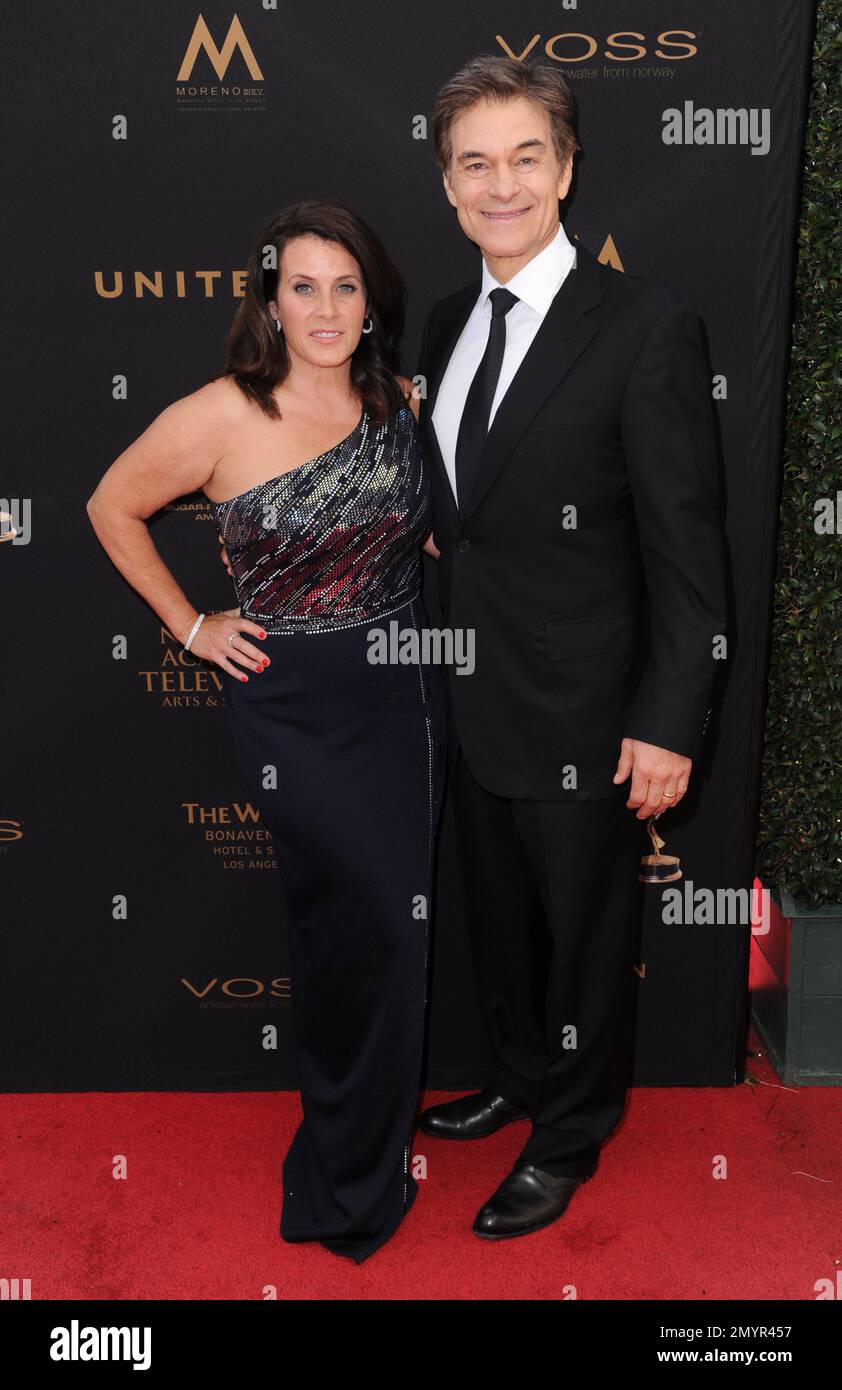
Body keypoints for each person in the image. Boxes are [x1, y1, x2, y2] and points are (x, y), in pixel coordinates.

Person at [86, 200, 447, 1263]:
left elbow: (427, 532)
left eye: (345, 285)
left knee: (392, 931)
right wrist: (191, 624)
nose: (326, 306)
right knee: (350, 927)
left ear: (370, 298)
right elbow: (111, 503)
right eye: (303, 285)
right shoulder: (220, 415)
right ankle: (345, 1176)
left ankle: (360, 1154)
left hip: (403, 695)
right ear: (269, 299)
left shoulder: (401, 401)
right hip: (291, 704)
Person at [413, 55, 729, 1240]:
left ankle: (568, 1133)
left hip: (593, 710)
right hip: (468, 694)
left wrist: (665, 718)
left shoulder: (645, 327)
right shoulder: (445, 322)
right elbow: (469, 518)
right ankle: (515, 1074)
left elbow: (689, 556)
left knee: (588, 940)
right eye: (473, 163)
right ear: (446, 182)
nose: (500, 185)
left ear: (566, 166)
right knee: (498, 920)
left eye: (524, 157)